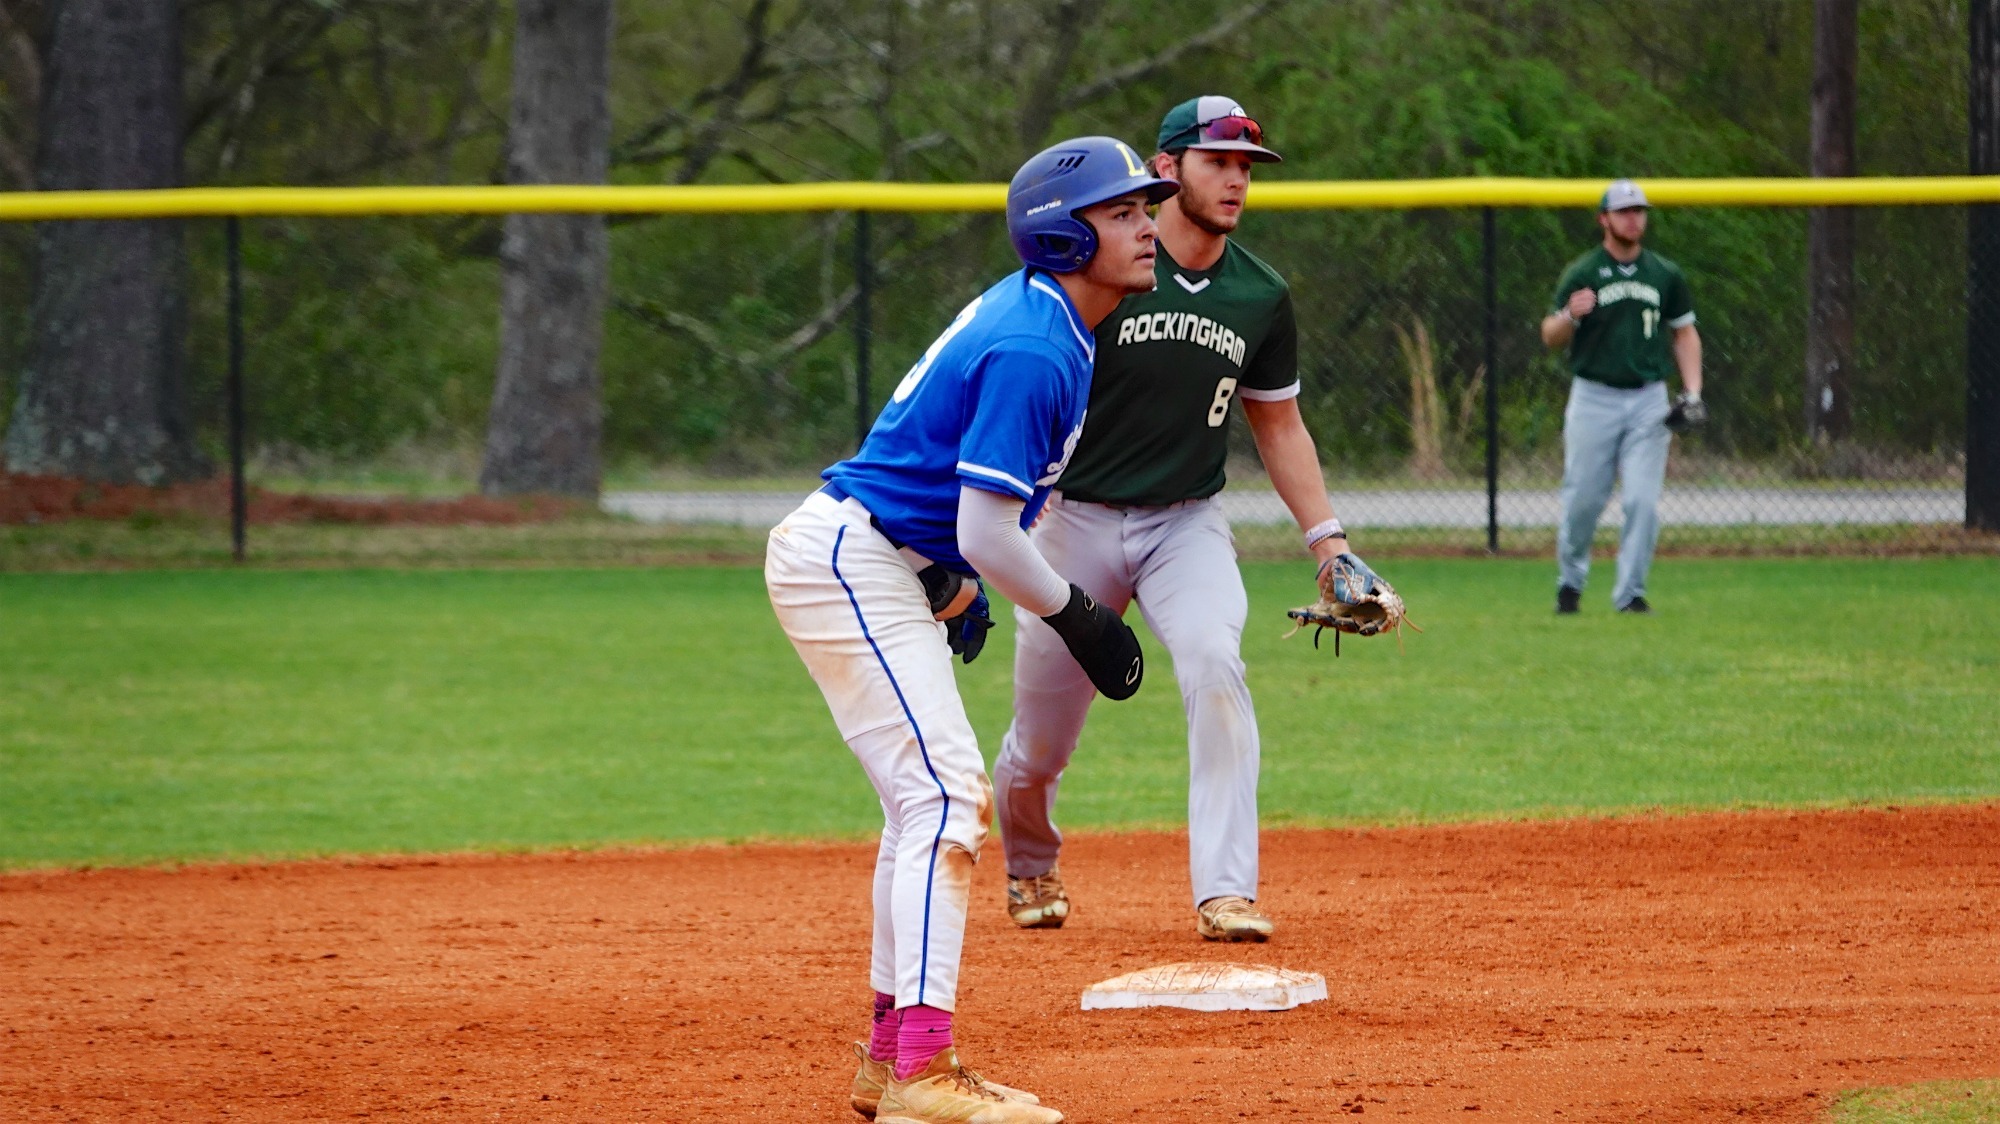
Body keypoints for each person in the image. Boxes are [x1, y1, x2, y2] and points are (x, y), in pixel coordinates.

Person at [765, 136, 1174, 1124]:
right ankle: (920, 1069)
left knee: (922, 803)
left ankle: (887, 1059)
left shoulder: (1053, 325)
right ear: (1063, 231)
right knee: (945, 795)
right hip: (849, 560)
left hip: (876, 559)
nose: (1148, 225)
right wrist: (1079, 617)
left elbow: (947, 506)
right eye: (1121, 213)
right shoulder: (1038, 343)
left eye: (1143, 208)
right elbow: (984, 525)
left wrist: (951, 585)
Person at [992, 96, 1391, 943]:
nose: (1237, 179)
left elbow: (1277, 422)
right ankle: (1029, 861)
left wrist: (1330, 544)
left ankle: (1226, 890)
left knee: (1216, 663)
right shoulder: (1106, 270)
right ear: (1166, 169)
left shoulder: (1260, 293)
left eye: (1247, 165)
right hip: (1074, 524)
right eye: (1218, 161)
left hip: (1186, 523)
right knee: (1042, 738)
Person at [1540, 179, 1705, 615]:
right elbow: (1549, 335)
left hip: (1648, 399)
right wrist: (1568, 316)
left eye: (1640, 211)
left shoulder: (1664, 274)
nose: (1634, 218)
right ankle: (1570, 582)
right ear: (1604, 219)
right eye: (1625, 211)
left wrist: (1692, 392)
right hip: (1594, 396)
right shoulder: (1583, 272)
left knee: (1641, 502)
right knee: (1583, 500)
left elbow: (1684, 332)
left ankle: (1631, 593)